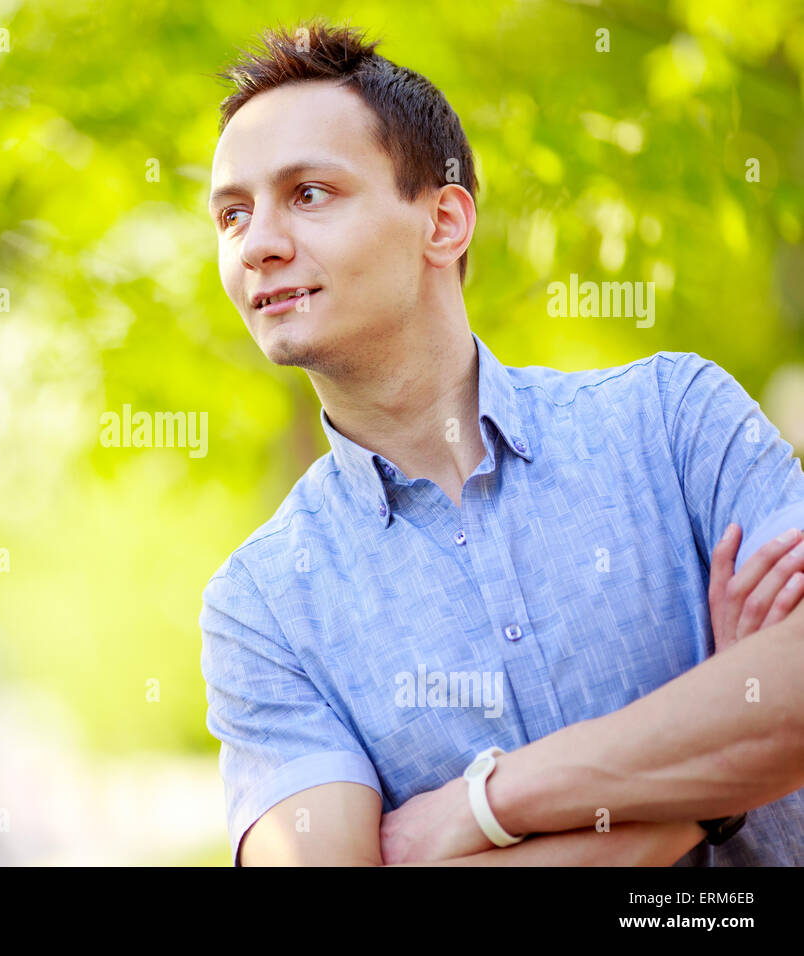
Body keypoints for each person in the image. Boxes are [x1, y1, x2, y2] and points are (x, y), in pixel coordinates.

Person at [198, 19, 804, 866]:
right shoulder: (261, 608)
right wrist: (716, 778)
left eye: (308, 194)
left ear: (444, 222)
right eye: (232, 213)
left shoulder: (673, 420)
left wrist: (477, 808)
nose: (256, 243)